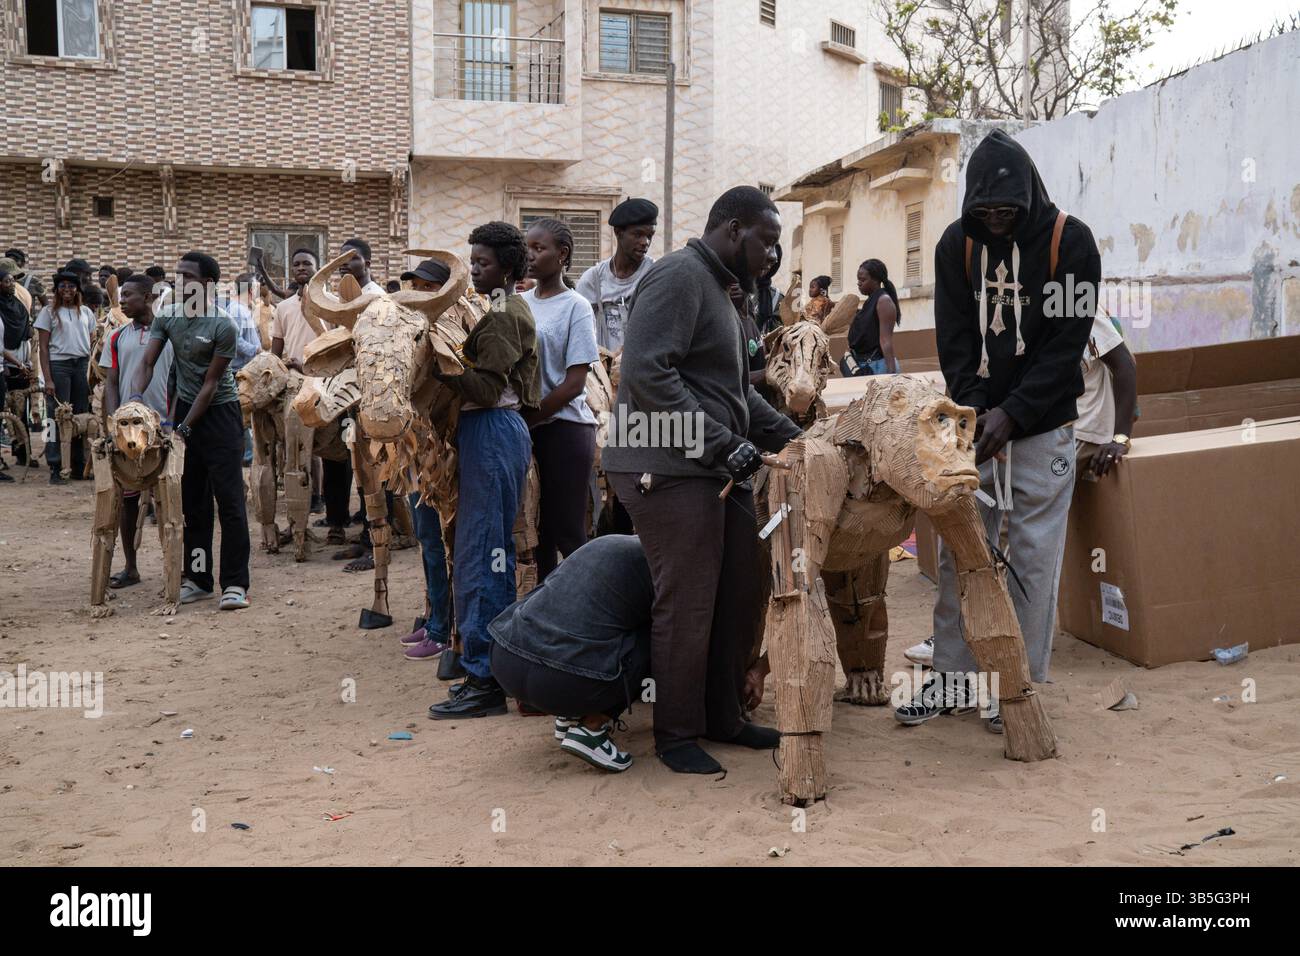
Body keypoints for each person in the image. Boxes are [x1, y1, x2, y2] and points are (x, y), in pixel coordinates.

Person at [896, 129, 1100, 731]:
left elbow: (1065, 347)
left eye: (1007, 212)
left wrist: (1014, 414)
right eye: (984, 212)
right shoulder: (955, 247)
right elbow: (956, 340)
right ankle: (954, 679)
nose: (997, 222)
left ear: (1030, 199)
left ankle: (1014, 686)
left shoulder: (1072, 243)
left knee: (1034, 556)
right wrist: (977, 410)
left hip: (1044, 425)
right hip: (978, 424)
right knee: (965, 550)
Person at [603, 185, 802, 774]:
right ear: (735, 228)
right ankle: (677, 733)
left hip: (713, 465)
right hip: (662, 466)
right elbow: (647, 374)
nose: (772, 256)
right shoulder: (677, 278)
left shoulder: (723, 291)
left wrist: (795, 437)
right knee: (688, 600)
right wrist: (722, 443)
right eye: (767, 242)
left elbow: (734, 393)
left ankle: (724, 716)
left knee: (741, 591)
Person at [427, 222, 538, 719]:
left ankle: (485, 680)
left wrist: (439, 369)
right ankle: (481, 670)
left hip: (492, 430)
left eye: (484, 263)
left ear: (509, 269)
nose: (474, 269)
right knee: (479, 552)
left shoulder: (503, 313)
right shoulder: (497, 309)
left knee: (484, 554)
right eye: (471, 261)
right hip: (488, 435)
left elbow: (488, 389)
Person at [135, 251, 252, 610]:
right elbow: (148, 361)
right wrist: (137, 402)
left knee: (229, 502)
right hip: (187, 408)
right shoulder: (168, 316)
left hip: (219, 414)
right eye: (178, 275)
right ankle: (198, 579)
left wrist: (182, 429)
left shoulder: (223, 325)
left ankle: (235, 584)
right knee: (194, 503)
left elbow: (212, 384)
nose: (179, 282)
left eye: (188, 276)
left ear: (207, 285)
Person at [490, 535, 653, 772]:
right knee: (656, 637)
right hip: (562, 681)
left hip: (504, 656)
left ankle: (569, 716)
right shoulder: (662, 565)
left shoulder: (605, 542)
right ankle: (592, 728)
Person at [520, 218, 600, 582]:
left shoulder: (576, 307)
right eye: (528, 248)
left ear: (562, 254)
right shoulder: (516, 304)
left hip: (564, 430)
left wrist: (528, 418)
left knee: (567, 530)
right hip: (524, 429)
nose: (531, 256)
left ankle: (592, 612)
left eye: (540, 248)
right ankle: (544, 614)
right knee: (537, 532)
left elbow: (573, 384)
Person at [395, 258, 454, 662]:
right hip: (416, 452)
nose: (417, 293)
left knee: (446, 543)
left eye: (426, 287)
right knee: (427, 539)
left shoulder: (452, 330)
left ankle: (445, 629)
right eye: (413, 286)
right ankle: (436, 620)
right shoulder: (402, 335)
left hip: (447, 455)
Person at [101, 274, 174, 588]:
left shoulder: (171, 335)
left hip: (166, 427)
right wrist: (115, 421)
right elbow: (112, 382)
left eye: (128, 295)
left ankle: (177, 568)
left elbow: (179, 380)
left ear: (147, 297)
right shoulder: (117, 337)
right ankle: (131, 567)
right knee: (128, 500)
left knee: (170, 501)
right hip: (129, 431)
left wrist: (175, 423)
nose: (122, 302)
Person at [35, 269, 95, 483]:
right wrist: (48, 379)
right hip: (59, 366)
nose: (67, 290)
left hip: (81, 365)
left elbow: (91, 341)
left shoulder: (86, 312)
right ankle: (55, 465)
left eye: (71, 286)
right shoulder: (48, 312)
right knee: (57, 416)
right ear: (57, 290)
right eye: (63, 286)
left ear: (77, 289)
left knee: (80, 416)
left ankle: (78, 465)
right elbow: (42, 348)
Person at [575, 198, 658, 353]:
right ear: (619, 233)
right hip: (601, 370)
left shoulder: (655, 275)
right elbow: (578, 332)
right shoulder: (593, 280)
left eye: (650, 235)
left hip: (641, 371)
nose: (645, 242)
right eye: (638, 234)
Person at [1074, 308, 1137, 477]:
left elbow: (1125, 365)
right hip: (1053, 426)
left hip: (1082, 430)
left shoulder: (1073, 301)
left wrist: (1120, 438)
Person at [0, 261, 34, 481]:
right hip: (6, 365)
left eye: (12, 280)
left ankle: (24, 452)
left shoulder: (18, 305)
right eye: (6, 281)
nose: (11, 284)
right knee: (5, 413)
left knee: (22, 410)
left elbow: (28, 333)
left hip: (20, 362)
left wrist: (27, 363)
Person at [841, 259, 901, 376]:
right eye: (858, 280)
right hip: (865, 365)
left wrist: (892, 374)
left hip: (877, 367)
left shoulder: (883, 301)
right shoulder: (870, 300)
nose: (859, 283)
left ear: (876, 280)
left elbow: (886, 340)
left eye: (863, 280)